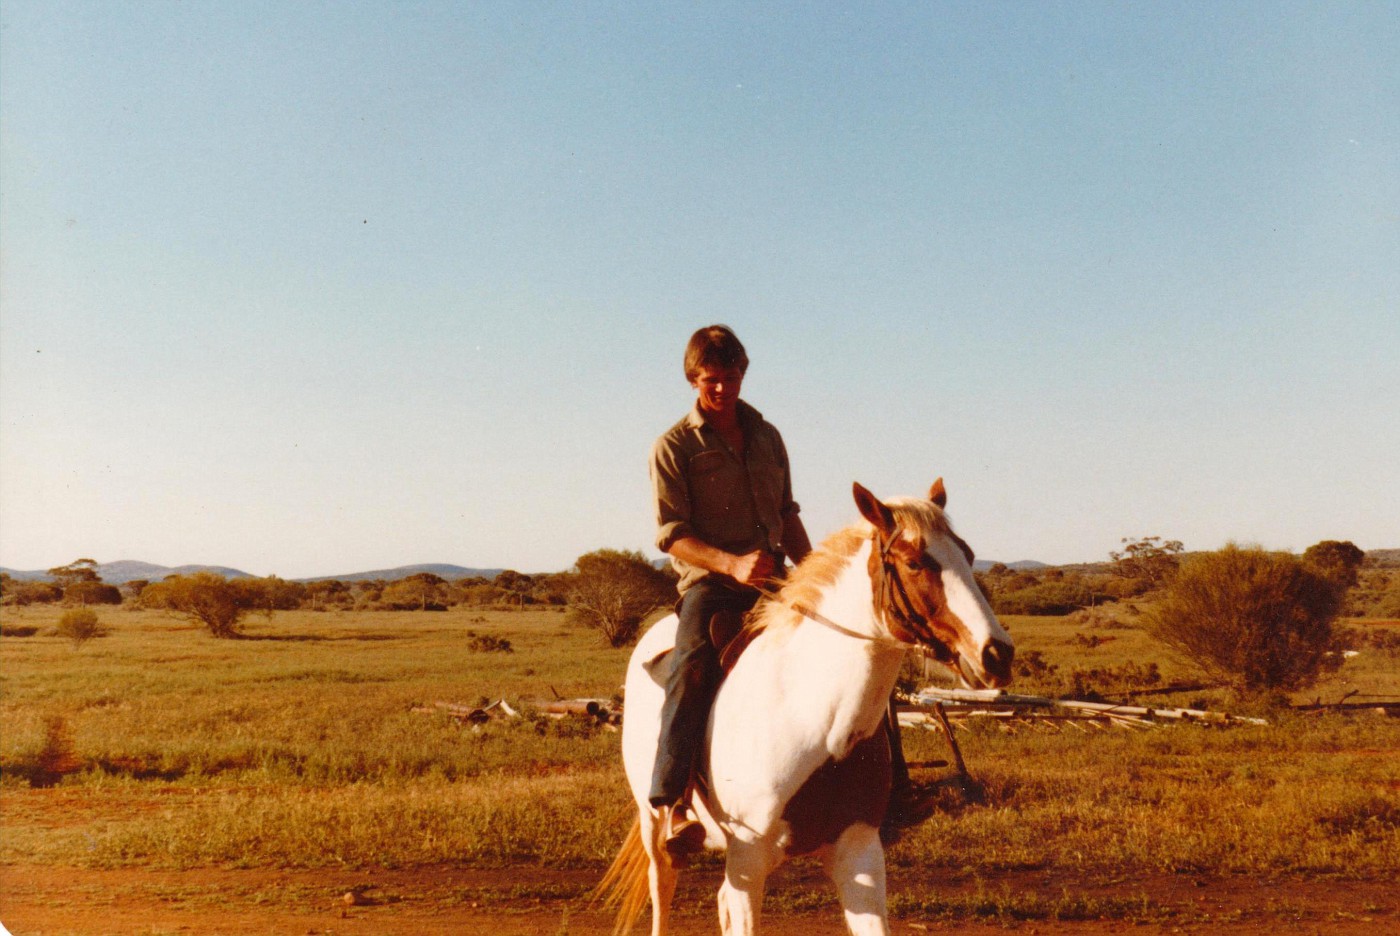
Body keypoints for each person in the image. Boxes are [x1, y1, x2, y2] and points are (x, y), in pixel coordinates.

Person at [647, 325, 813, 856]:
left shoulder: (768, 437)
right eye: (711, 379)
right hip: (713, 587)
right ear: (694, 379)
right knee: (693, 664)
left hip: (775, 581)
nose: (723, 388)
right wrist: (732, 564)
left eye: (732, 376)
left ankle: (892, 792)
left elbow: (787, 514)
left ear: (745, 372)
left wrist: (812, 577)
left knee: (856, 648)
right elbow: (671, 534)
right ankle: (672, 804)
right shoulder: (674, 446)